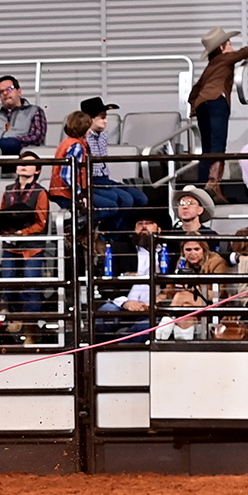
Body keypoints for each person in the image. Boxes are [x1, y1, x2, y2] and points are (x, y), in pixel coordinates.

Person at [188, 28, 248, 203]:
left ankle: (203, 186)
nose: (231, 47)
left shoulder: (211, 66)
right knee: (218, 143)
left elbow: (195, 90)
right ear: (222, 47)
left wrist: (194, 107)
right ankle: (213, 184)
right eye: (229, 44)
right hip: (217, 102)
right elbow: (240, 54)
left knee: (207, 147)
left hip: (202, 104)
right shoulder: (224, 58)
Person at [0, 150, 50, 339]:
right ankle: (16, 319)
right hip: (11, 246)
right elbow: (1, 213)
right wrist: (2, 228)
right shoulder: (9, 189)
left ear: (37, 170)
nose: (23, 166)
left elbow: (41, 222)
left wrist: (21, 233)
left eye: (29, 163)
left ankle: (30, 328)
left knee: (31, 288)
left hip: (32, 247)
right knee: (9, 285)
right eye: (21, 162)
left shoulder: (40, 192)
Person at [81, 95, 147, 244]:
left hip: (105, 179)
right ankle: (106, 237)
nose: (105, 121)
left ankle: (113, 233)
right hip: (93, 181)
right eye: (102, 117)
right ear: (90, 119)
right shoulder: (83, 139)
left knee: (141, 199)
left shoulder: (102, 136)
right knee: (126, 200)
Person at [96, 217, 159, 338]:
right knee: (105, 315)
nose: (144, 227)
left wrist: (154, 303)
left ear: (159, 229)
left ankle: (120, 343)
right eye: (140, 223)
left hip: (154, 305)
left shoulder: (169, 253)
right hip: (122, 303)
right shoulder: (120, 249)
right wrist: (125, 302)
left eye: (149, 223)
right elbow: (105, 284)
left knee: (149, 326)